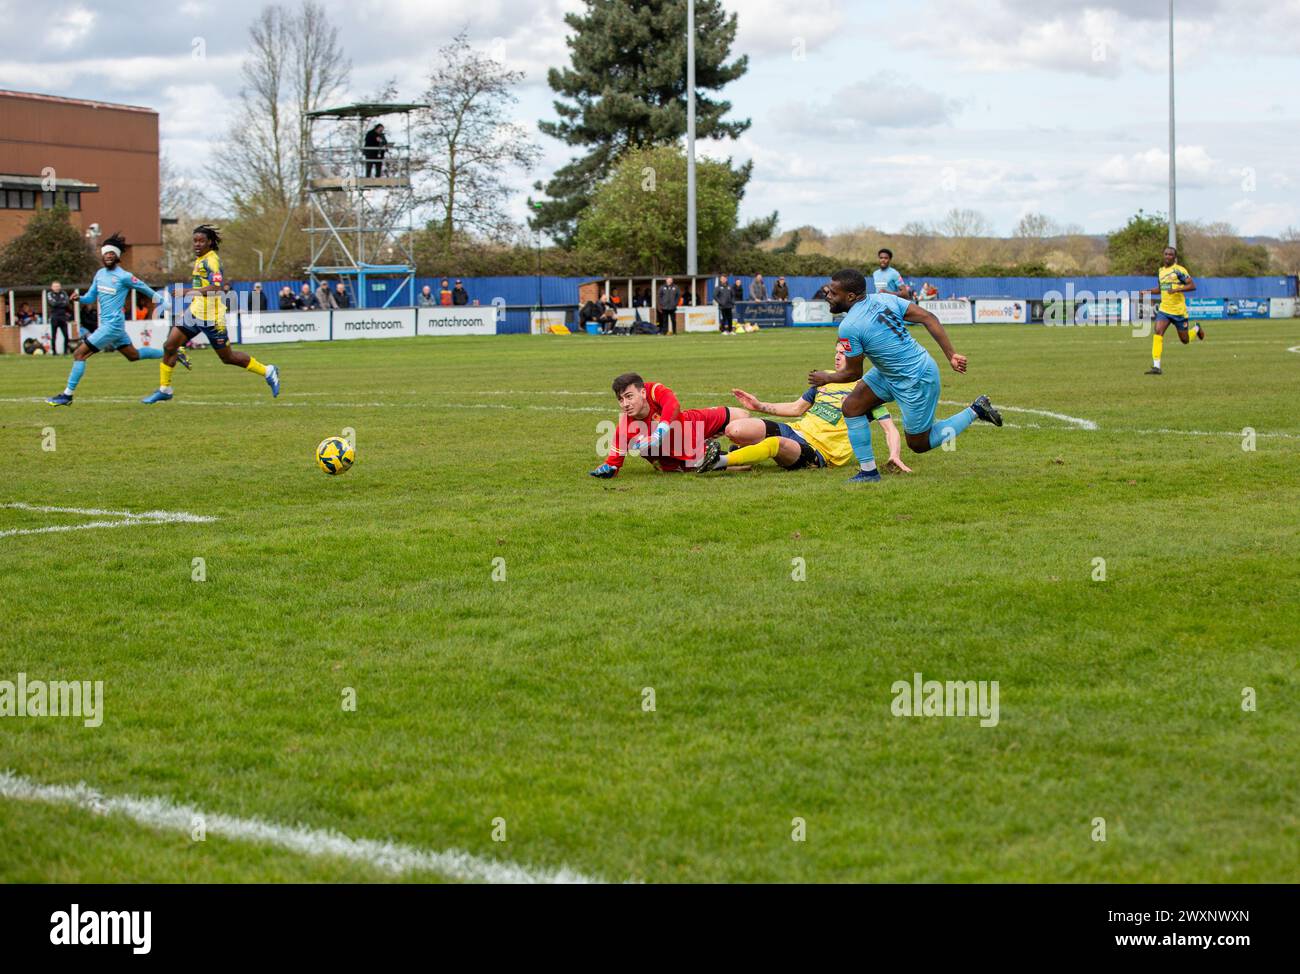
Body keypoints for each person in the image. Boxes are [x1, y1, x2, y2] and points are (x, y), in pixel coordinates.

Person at [807, 268, 1001, 483]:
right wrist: (951, 354)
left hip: (915, 378)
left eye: (833, 293)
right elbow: (928, 317)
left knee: (918, 444)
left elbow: (853, 372)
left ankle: (976, 409)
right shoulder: (885, 299)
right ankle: (868, 472)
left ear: (850, 296)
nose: (828, 296)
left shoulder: (849, 327)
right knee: (852, 406)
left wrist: (827, 378)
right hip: (889, 372)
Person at [697, 347, 910, 474]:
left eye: (843, 354)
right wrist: (759, 406)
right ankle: (743, 459)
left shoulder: (867, 392)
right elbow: (797, 407)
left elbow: (889, 429)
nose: (837, 357)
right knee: (735, 429)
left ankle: (721, 462)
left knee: (775, 443)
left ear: (857, 359)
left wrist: (894, 455)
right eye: (836, 352)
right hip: (796, 431)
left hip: (820, 452)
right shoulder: (826, 379)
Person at [140, 224, 279, 404]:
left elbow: (216, 287)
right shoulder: (200, 259)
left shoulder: (211, 261)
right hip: (194, 314)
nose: (197, 244)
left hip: (212, 319)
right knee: (169, 346)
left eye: (201, 241)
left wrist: (187, 292)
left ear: (210, 242)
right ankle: (165, 389)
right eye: (195, 241)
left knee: (228, 358)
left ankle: (268, 371)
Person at [45, 232, 167, 405]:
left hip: (112, 326)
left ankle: (67, 395)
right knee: (133, 355)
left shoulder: (124, 276)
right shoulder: (100, 274)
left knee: (79, 354)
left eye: (112, 253)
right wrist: (79, 298)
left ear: (117, 256)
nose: (108, 256)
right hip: (113, 327)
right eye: (106, 253)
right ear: (102, 256)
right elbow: (90, 297)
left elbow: (144, 288)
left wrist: (162, 300)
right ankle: (171, 353)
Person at [589, 373, 750, 477]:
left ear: (642, 393)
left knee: (742, 416)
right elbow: (613, 463)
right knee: (740, 463)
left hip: (689, 422)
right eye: (621, 400)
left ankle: (739, 448)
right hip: (682, 458)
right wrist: (607, 469)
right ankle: (731, 456)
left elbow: (672, 404)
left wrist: (659, 433)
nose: (625, 404)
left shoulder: (652, 390)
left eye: (629, 396)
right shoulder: (625, 428)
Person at [1141, 245, 1202, 375]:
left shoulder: (1179, 270)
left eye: (1170, 254)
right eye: (1166, 254)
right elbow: (1160, 289)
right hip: (1164, 310)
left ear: (1174, 257)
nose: (1168, 256)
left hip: (1179, 311)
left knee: (1185, 340)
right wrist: (1147, 291)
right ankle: (1156, 367)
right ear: (1163, 256)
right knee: (1158, 332)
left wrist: (1176, 289)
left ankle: (1196, 329)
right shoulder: (1161, 271)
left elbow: (1192, 285)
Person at [47, 282, 73, 354]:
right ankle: (54, 352)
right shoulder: (49, 294)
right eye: (55, 286)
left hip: (63, 317)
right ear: (52, 287)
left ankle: (65, 351)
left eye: (58, 286)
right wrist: (61, 303)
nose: (56, 288)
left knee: (66, 335)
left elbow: (67, 303)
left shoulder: (64, 293)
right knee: (54, 335)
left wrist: (58, 303)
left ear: (60, 287)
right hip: (54, 317)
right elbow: (52, 303)